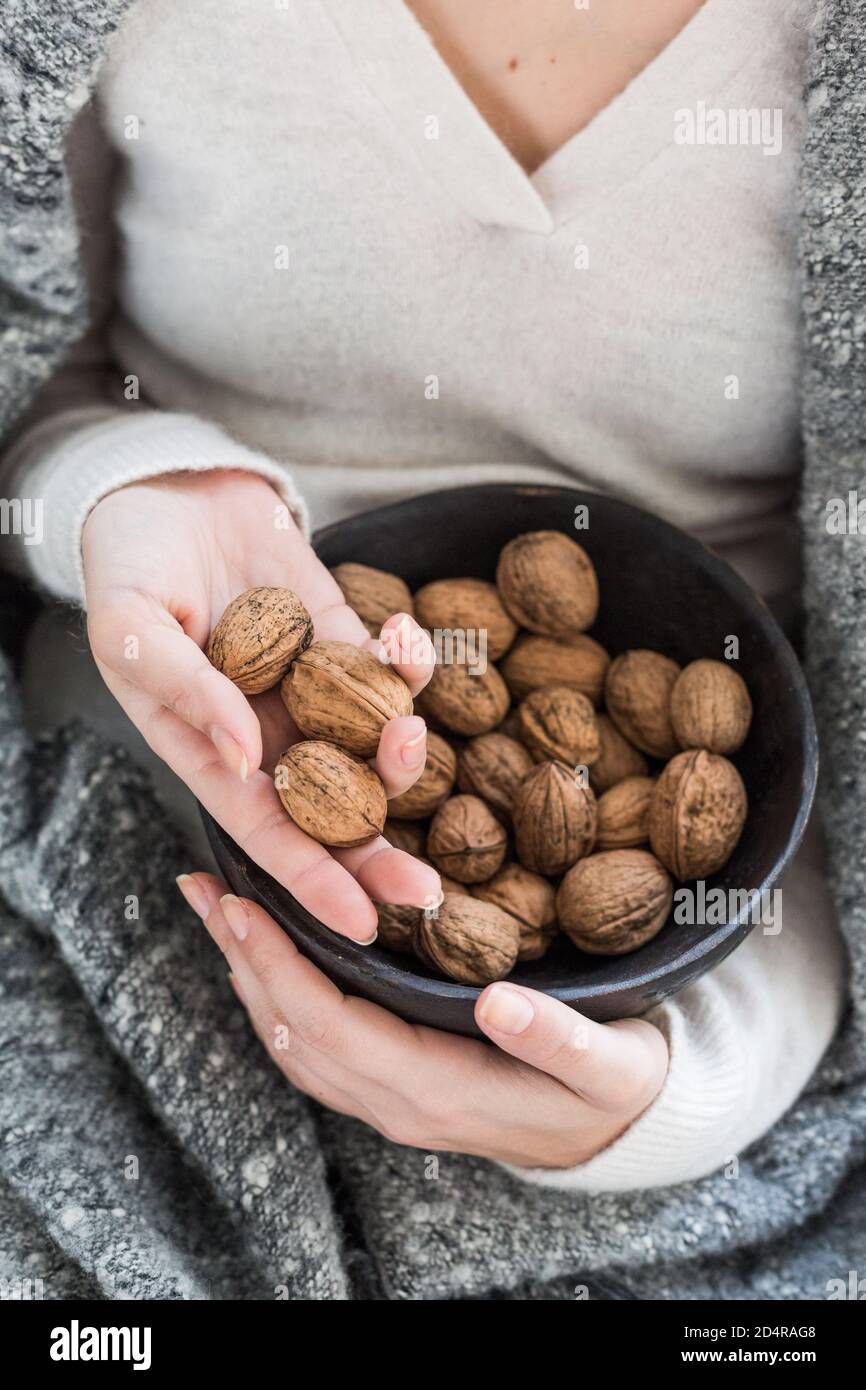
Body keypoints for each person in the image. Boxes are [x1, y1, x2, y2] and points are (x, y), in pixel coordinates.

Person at [0, 0, 846, 1188]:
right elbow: (27, 359)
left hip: (686, 995)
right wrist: (119, 491)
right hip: (93, 855)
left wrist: (681, 1086)